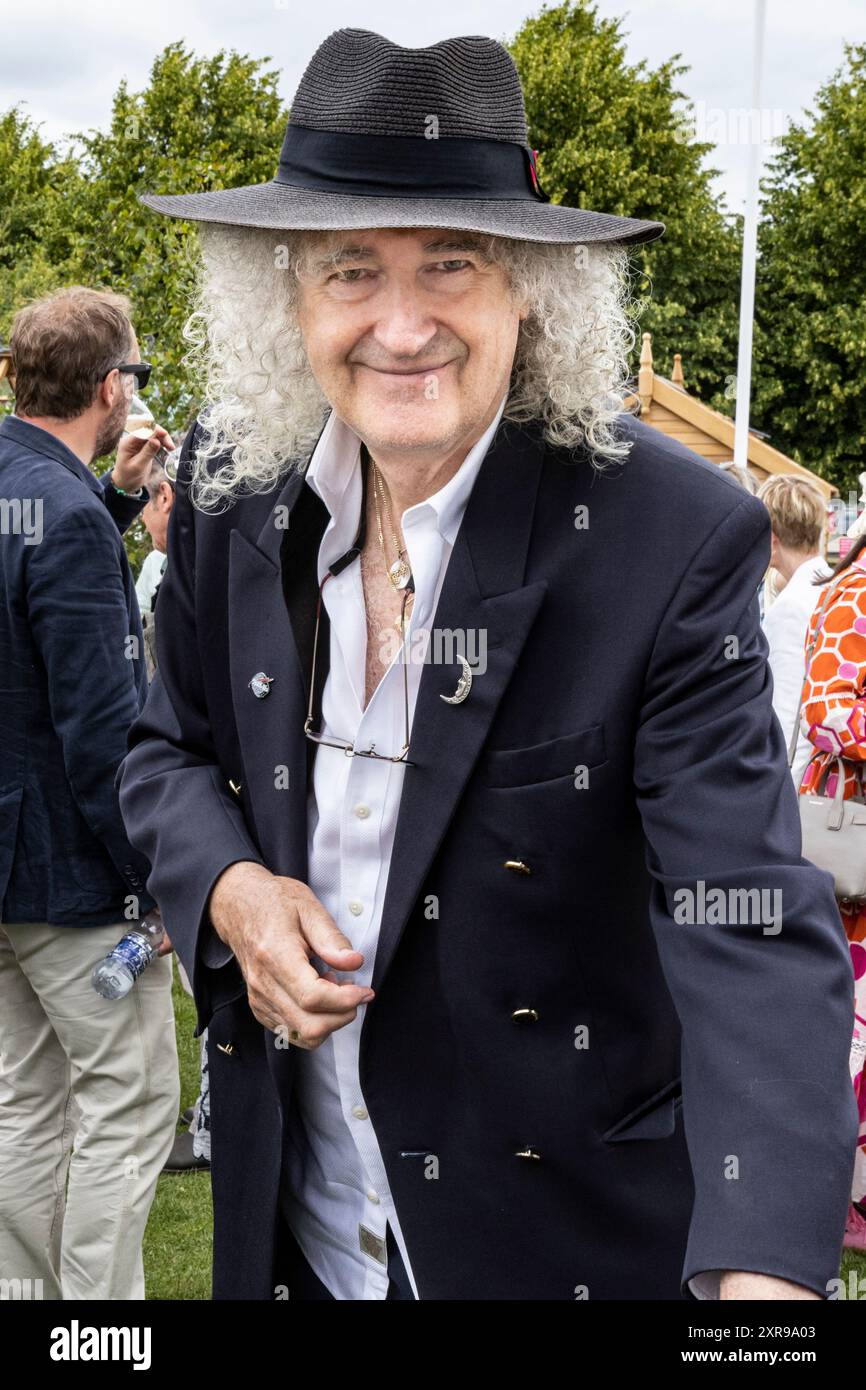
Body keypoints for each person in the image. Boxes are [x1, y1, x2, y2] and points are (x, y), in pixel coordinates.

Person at [118, 28, 857, 1301]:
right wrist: (232, 888)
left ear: (525, 286)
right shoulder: (231, 497)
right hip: (289, 1232)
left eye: (448, 264)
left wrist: (762, 1280)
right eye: (352, 269)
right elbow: (161, 754)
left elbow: (738, 913)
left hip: (550, 1249)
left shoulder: (666, 543)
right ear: (290, 294)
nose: (401, 326)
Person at [0, 286, 180, 1299]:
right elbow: (97, 733)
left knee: (27, 1101)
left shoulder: (40, 491)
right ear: (111, 386)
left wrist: (110, 496)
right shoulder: (60, 513)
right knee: (128, 1100)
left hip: (13, 869)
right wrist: (152, 880)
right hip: (71, 880)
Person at [798, 534, 866, 1247]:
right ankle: (835, 1192)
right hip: (853, 848)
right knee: (847, 1025)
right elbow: (826, 712)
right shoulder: (856, 591)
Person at [757, 476, 832, 787]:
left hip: (802, 785)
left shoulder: (792, 607)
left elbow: (787, 721)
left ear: (773, 538)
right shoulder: (833, 586)